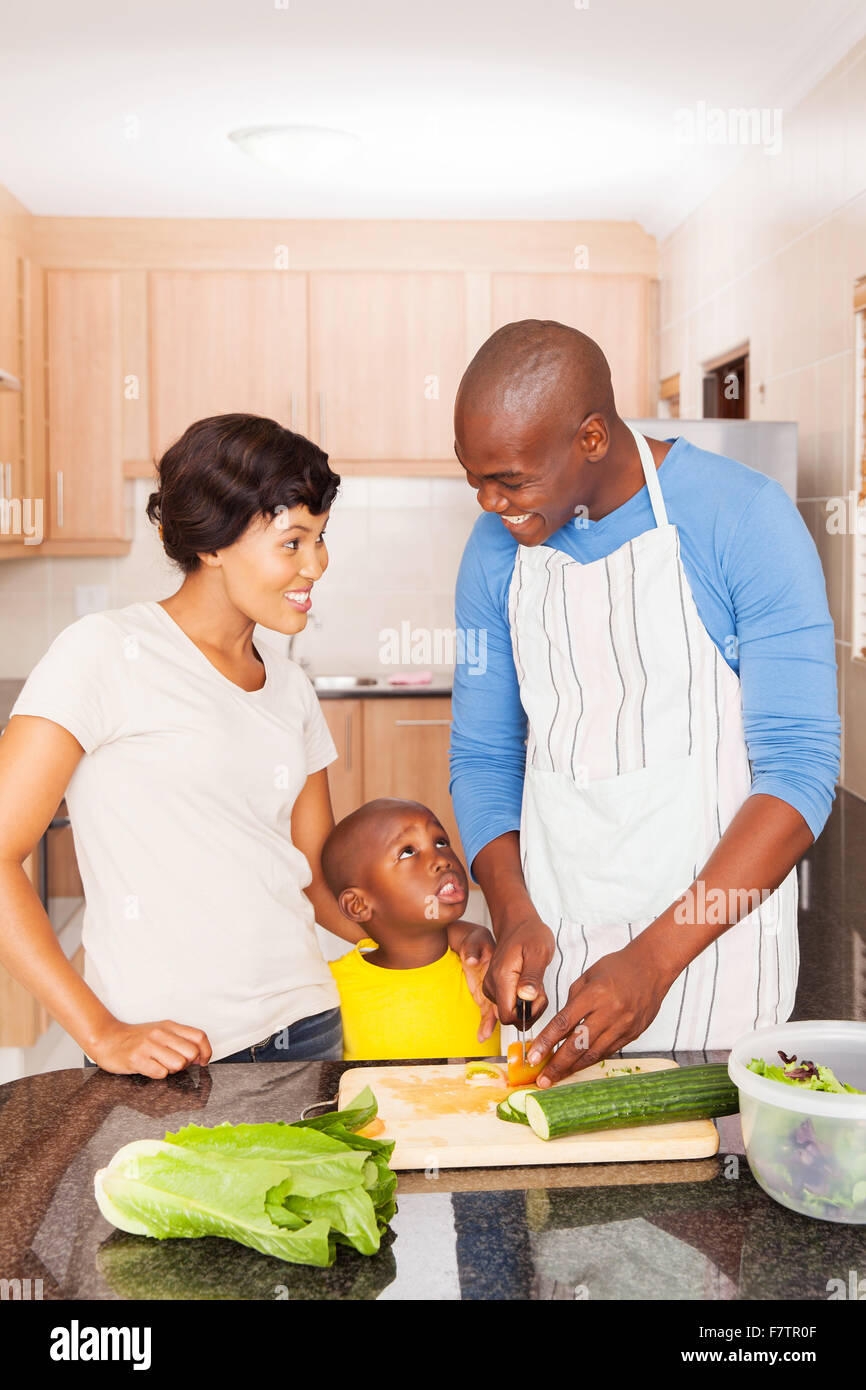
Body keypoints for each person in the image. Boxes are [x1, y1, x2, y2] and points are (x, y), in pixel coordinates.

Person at [0, 414, 493, 1077]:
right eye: (293, 543)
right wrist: (102, 1029)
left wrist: (440, 932)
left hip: (309, 1027)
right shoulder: (104, 653)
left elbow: (317, 879)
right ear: (214, 544)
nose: (316, 564)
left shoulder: (290, 689)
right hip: (167, 1055)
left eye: (320, 539)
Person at [448, 320, 841, 1087]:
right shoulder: (493, 552)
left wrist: (657, 957)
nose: (491, 504)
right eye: (475, 480)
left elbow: (798, 772)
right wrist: (515, 911)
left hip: (715, 974)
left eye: (513, 480)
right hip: (557, 972)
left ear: (591, 437)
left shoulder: (743, 518)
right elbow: (483, 755)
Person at [323, 798, 501, 1060]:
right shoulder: (330, 987)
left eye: (441, 842)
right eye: (408, 851)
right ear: (359, 904)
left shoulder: (484, 970)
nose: (441, 860)